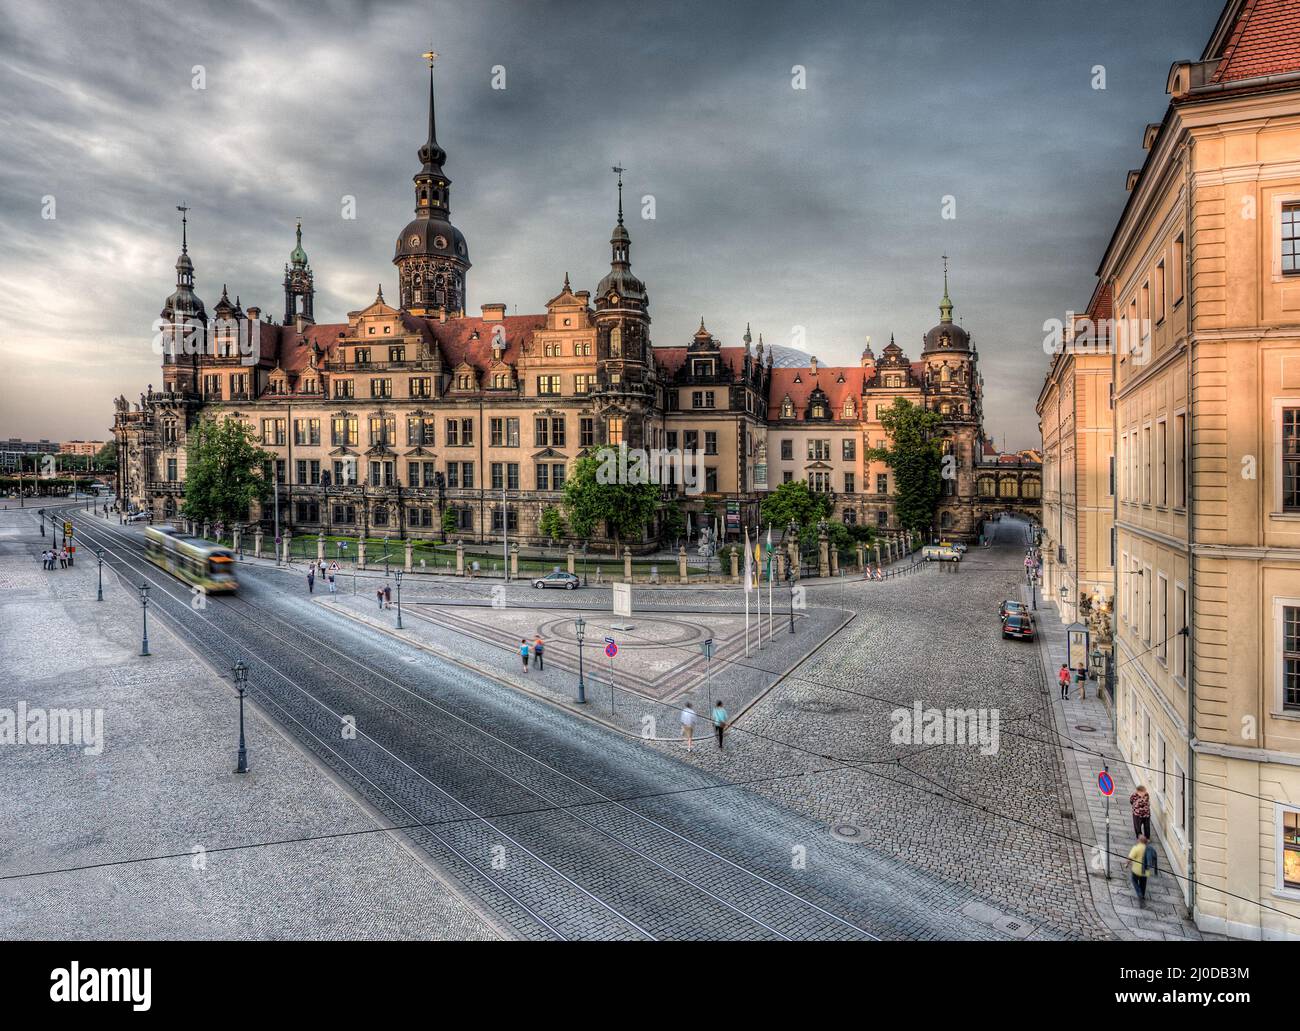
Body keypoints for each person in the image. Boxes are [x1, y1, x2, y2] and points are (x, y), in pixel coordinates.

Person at [1127, 834, 1151, 906]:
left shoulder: (1136, 848)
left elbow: (1130, 858)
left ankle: (1139, 893)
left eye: (1138, 839)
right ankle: (1142, 895)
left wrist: (1127, 864)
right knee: (1143, 884)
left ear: (1139, 841)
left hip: (1136, 870)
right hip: (1145, 871)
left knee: (1134, 881)